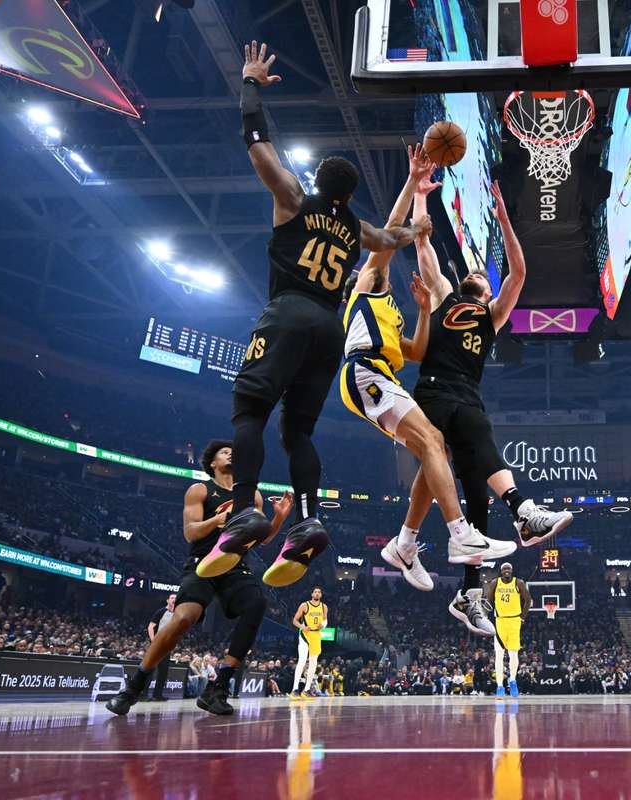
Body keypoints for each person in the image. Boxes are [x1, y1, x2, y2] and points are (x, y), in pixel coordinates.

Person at [201, 41, 428, 589]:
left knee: (249, 413)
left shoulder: (293, 199)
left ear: (318, 184)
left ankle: (242, 514)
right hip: (330, 330)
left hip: (287, 314)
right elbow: (389, 237)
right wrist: (418, 226)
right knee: (297, 431)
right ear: (349, 197)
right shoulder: (355, 229)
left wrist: (250, 84)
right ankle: (305, 521)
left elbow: (258, 145)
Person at [389, 180, 571, 632]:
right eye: (473, 274)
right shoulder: (446, 294)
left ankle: (470, 593)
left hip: (466, 393)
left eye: (482, 277)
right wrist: (421, 193)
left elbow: (518, 276)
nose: (476, 275)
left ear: (487, 292)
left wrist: (507, 222)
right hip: (434, 390)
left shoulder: (492, 316)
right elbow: (423, 241)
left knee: (472, 494)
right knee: (451, 462)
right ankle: (523, 510)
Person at [338, 145, 516, 597]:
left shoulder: (391, 311)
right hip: (364, 372)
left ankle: (406, 543)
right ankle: (457, 533)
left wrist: (420, 310)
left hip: (381, 376)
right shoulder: (368, 283)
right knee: (435, 442)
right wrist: (413, 184)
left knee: (435, 450)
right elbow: (390, 233)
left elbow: (416, 349)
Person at [106, 440, 291, 717]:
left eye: (234, 451)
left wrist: (277, 519)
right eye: (225, 452)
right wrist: (216, 521)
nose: (232, 453)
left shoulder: (253, 496)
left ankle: (218, 688)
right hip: (202, 562)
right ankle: (134, 687)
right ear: (213, 463)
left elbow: (259, 540)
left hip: (235, 564)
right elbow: (190, 533)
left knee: (256, 604)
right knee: (182, 618)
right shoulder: (200, 490)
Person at [485, 562, 531, 698]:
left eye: (508, 569)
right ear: (501, 571)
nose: (506, 571)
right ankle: (499, 686)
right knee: (498, 655)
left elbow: (528, 600)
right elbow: (488, 602)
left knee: (513, 654)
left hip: (514, 620)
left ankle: (512, 680)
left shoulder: (519, 583)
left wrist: (522, 617)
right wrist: (484, 618)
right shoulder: (495, 583)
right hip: (500, 621)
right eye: (504, 569)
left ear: (512, 570)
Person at [291, 586, 327, 698]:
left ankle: (306, 690)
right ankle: (295, 689)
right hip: (305, 634)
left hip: (316, 635)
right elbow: (294, 620)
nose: (317, 594)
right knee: (302, 660)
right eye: (315, 592)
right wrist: (302, 627)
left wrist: (324, 625)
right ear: (312, 594)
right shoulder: (304, 605)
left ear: (321, 595)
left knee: (313, 664)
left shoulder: (324, 607)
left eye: (319, 592)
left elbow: (325, 620)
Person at [145, 593, 177, 701]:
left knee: (163, 672)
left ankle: (157, 695)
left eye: (175, 599)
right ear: (167, 600)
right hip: (156, 644)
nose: (174, 600)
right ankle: (144, 694)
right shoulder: (161, 612)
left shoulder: (177, 614)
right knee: (150, 670)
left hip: (166, 646)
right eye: (172, 598)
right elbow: (151, 627)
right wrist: (153, 641)